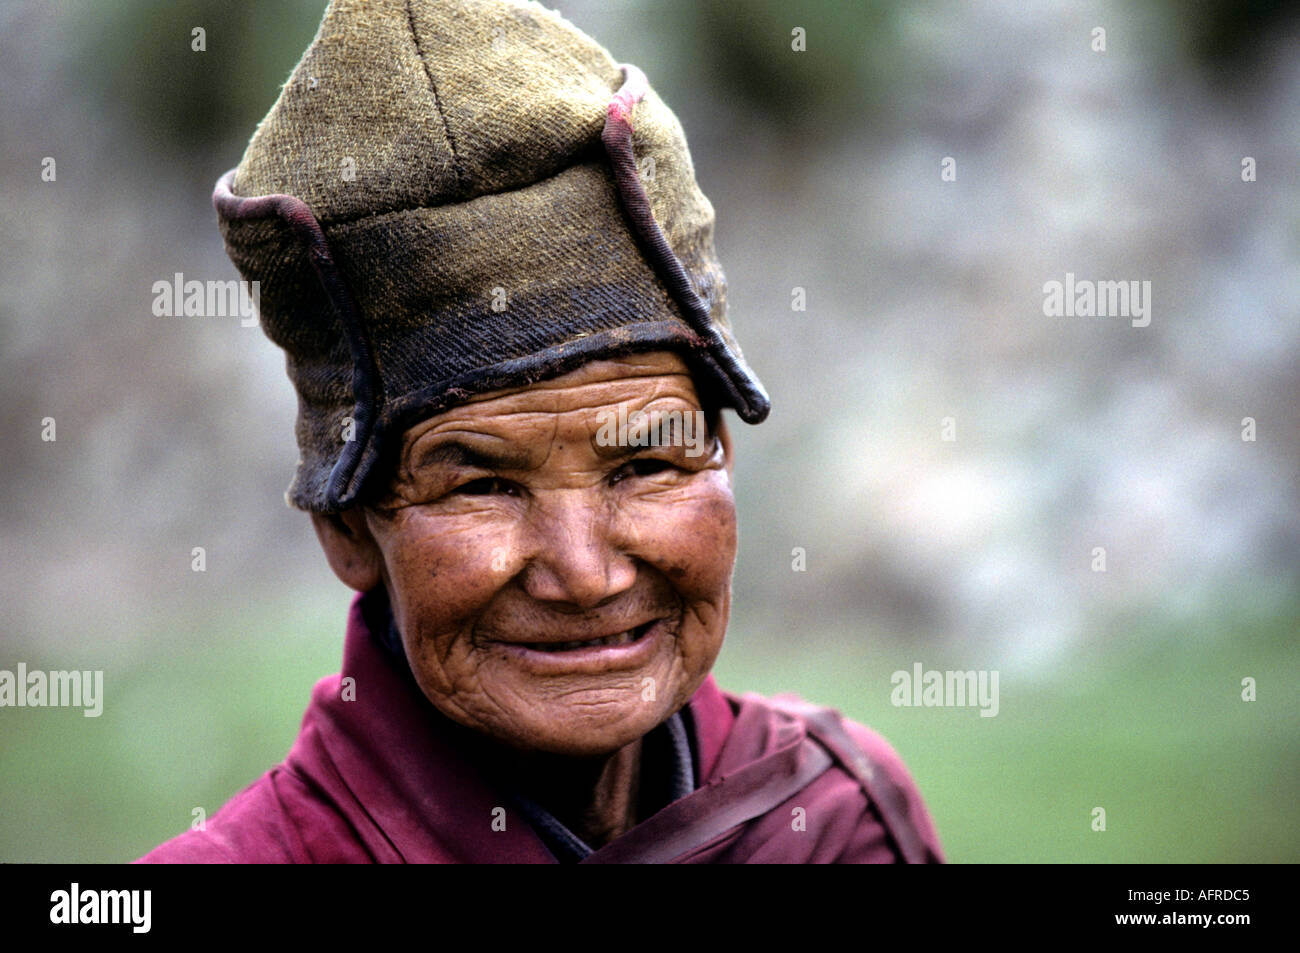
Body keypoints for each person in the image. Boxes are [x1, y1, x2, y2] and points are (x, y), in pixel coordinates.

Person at [138, 0, 944, 864]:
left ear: (721, 454)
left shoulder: (830, 823)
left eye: (642, 464)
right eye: (483, 483)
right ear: (345, 527)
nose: (585, 574)